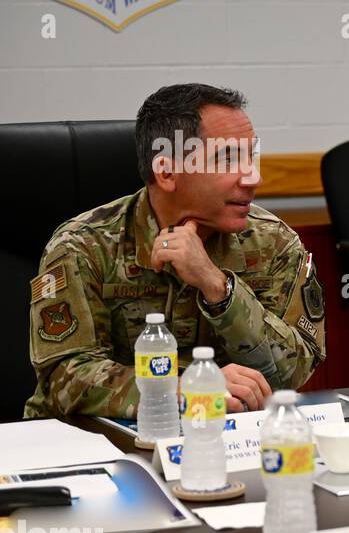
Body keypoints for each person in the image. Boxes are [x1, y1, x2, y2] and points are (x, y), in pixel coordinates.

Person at [25, 83, 326, 419]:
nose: (253, 177)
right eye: (227, 159)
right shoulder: (83, 245)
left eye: (250, 156)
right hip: (94, 443)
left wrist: (218, 288)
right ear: (167, 172)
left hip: (224, 441)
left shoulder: (274, 243)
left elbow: (294, 371)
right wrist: (183, 390)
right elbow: (63, 377)